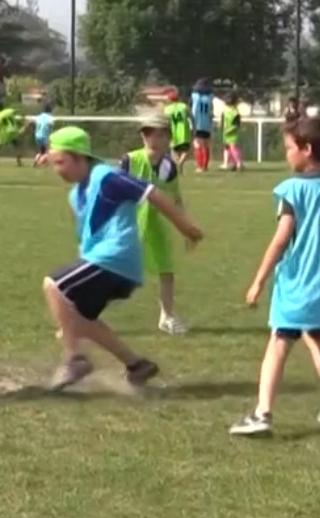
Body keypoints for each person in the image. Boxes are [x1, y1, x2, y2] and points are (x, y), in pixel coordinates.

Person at [42, 127, 203, 391]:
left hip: (116, 259)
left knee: (52, 285)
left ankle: (75, 359)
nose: (57, 169)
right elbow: (88, 234)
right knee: (78, 319)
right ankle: (136, 364)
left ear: (81, 157)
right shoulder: (75, 195)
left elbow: (152, 193)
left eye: (61, 162)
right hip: (103, 260)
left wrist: (185, 226)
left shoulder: (108, 177)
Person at [230, 117, 320, 437]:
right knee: (316, 336)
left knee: (279, 341)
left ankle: (262, 413)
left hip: (299, 280)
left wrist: (259, 280)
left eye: (290, 148)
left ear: (307, 150)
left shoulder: (293, 189)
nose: (287, 155)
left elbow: (281, 238)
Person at [120, 114, 188, 336]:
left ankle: (167, 316)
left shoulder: (170, 167)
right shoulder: (130, 160)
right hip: (129, 223)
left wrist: (185, 229)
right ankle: (83, 315)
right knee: (111, 271)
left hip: (157, 223)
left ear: (168, 137)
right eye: (149, 134)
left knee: (167, 271)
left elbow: (176, 198)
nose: (154, 139)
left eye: (160, 134)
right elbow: (113, 191)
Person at [162, 89, 193, 165]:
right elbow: (192, 118)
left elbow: (165, 121)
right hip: (184, 131)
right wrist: (193, 128)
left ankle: (177, 164)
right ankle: (180, 164)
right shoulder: (184, 106)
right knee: (186, 150)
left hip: (173, 131)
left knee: (175, 150)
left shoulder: (167, 109)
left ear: (169, 100)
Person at [190, 80, 215, 172]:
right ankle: (205, 166)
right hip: (207, 125)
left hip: (197, 124)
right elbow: (211, 111)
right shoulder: (209, 98)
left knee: (197, 145)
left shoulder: (195, 97)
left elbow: (192, 109)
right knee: (206, 145)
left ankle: (200, 166)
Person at [220, 91, 245, 171]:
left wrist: (228, 130)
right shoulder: (226, 111)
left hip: (231, 133)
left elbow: (236, 125)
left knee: (233, 148)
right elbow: (223, 121)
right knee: (227, 148)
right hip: (226, 132)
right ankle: (227, 163)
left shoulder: (235, 112)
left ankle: (238, 163)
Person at [31, 101, 56, 167]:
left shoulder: (39, 116)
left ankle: (36, 161)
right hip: (44, 136)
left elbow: (31, 120)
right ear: (50, 110)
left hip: (37, 135)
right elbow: (51, 125)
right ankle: (43, 163)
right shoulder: (50, 117)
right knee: (47, 150)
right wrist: (51, 131)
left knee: (40, 151)